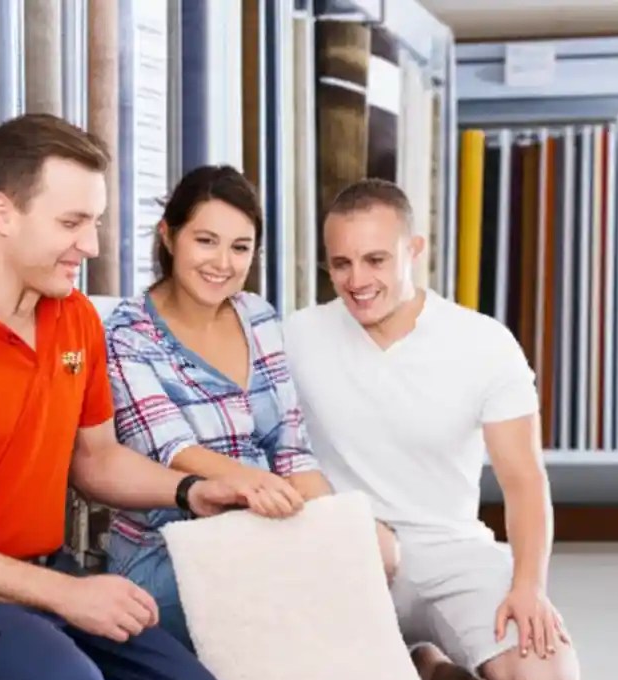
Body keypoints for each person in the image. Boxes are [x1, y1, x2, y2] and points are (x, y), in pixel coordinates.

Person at [0, 114, 278, 680]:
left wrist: (189, 489)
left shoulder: (73, 318)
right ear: (3, 213)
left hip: (47, 580)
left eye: (94, 222)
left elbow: (95, 458)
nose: (92, 246)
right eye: (71, 223)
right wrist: (65, 595)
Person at [282, 179, 581, 680]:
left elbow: (524, 480)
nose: (357, 281)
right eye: (341, 264)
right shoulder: (295, 337)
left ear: (414, 249)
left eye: (375, 260)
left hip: (454, 551)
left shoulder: (484, 343)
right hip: (350, 553)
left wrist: (528, 586)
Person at [102, 164, 398, 650]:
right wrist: (261, 490)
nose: (223, 262)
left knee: (375, 548)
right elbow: (175, 452)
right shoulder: (127, 334)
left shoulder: (257, 317)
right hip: (168, 548)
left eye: (240, 248)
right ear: (169, 236)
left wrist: (335, 524)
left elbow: (291, 450)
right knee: (318, 583)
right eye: (206, 241)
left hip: (266, 526)